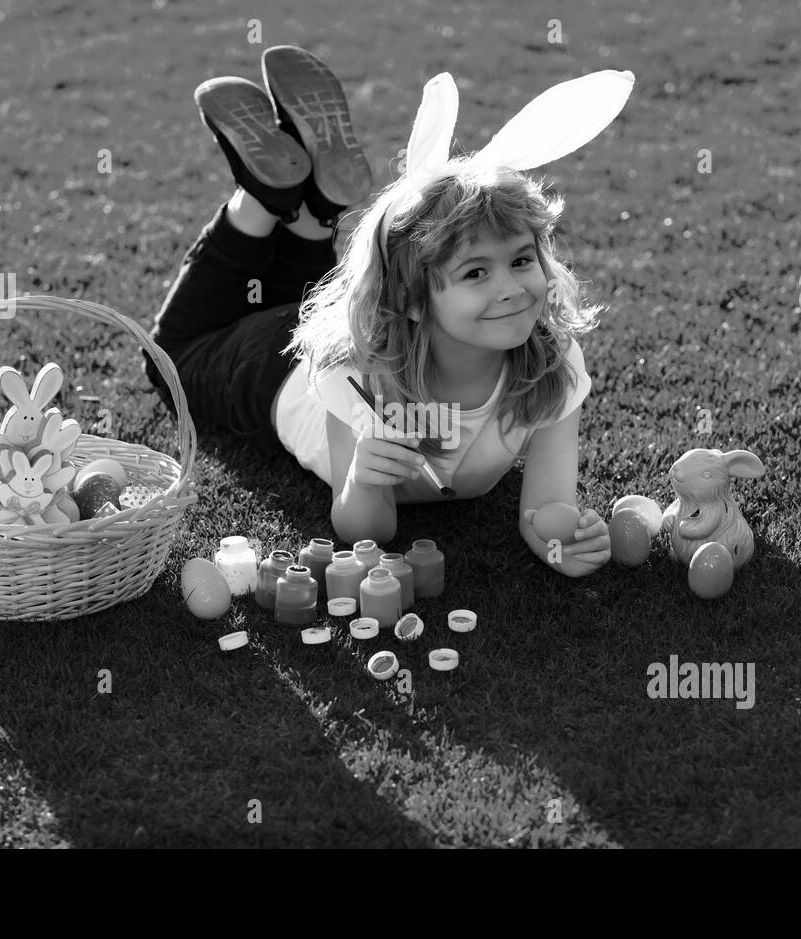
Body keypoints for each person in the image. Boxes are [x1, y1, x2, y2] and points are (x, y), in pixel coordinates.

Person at [145, 45, 634, 577]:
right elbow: (364, 531)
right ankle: (263, 199)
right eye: (475, 272)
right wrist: (363, 475)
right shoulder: (355, 374)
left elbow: (545, 506)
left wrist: (562, 540)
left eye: (521, 260)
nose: (512, 288)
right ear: (410, 298)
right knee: (172, 358)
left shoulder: (552, 361)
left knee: (289, 293)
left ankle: (304, 203)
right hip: (271, 369)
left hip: (333, 317)